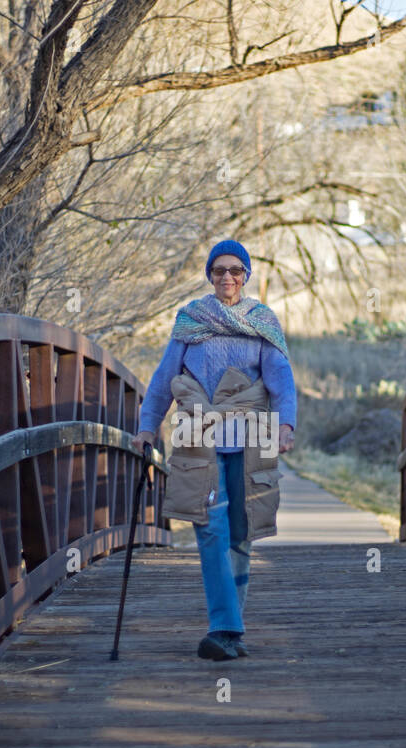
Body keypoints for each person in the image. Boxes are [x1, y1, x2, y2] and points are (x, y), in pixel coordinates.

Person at [134, 239, 297, 661]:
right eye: (219, 269)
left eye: (235, 270)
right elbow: (161, 380)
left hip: (251, 433)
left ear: (246, 275)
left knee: (242, 531)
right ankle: (224, 627)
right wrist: (147, 427)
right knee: (209, 529)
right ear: (209, 274)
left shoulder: (263, 321)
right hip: (198, 434)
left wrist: (286, 424)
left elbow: (281, 379)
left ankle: (231, 630)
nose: (227, 277)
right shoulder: (190, 320)